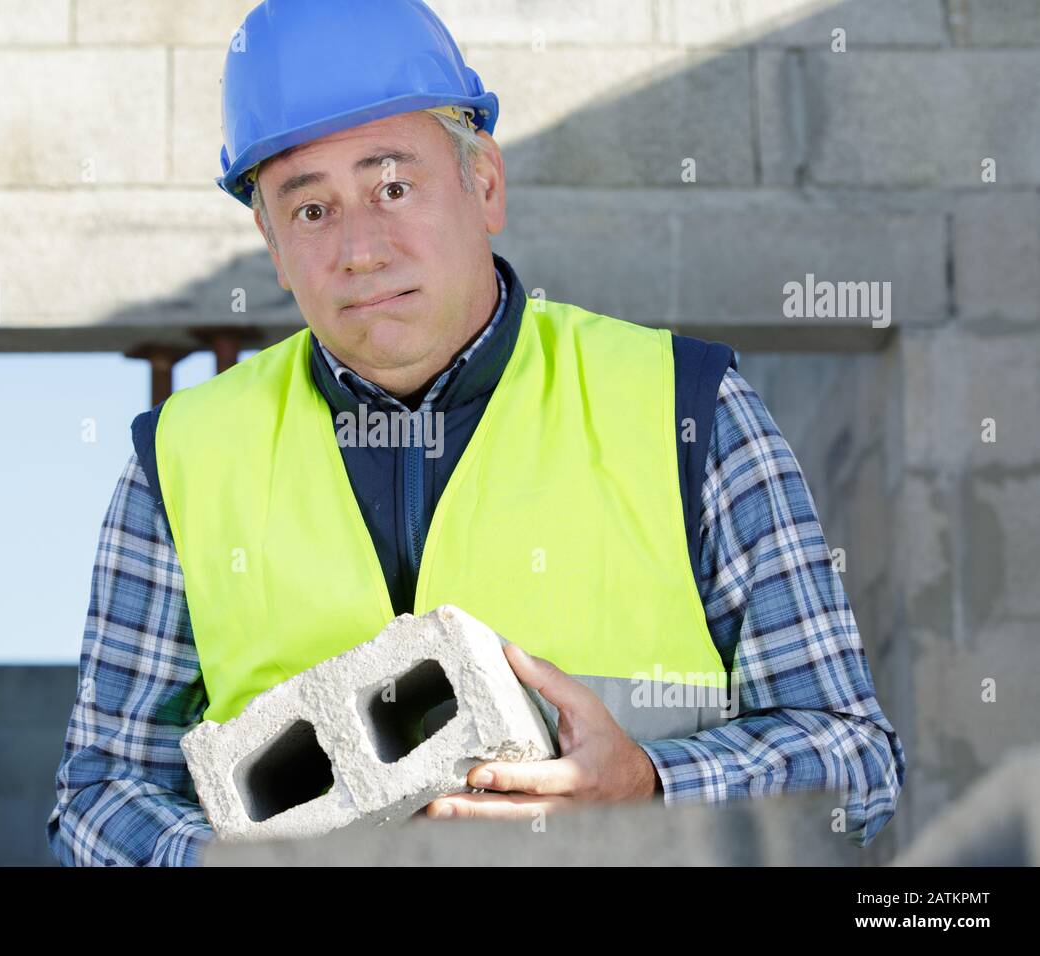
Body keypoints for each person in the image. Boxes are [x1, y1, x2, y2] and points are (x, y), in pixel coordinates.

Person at [47, 0, 904, 866]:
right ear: (270, 243)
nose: (360, 251)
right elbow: (99, 797)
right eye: (311, 212)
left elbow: (856, 763)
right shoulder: (183, 459)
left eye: (392, 187)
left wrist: (649, 780)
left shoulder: (688, 409)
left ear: (483, 184)